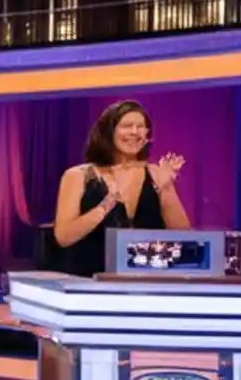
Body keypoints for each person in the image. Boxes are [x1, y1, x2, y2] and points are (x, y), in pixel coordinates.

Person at [52, 99, 190, 277]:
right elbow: (63, 237)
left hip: (145, 281)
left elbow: (184, 236)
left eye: (141, 127)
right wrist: (107, 204)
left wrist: (166, 188)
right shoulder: (78, 176)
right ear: (108, 131)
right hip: (89, 280)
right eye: (127, 126)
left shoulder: (156, 174)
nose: (134, 132)